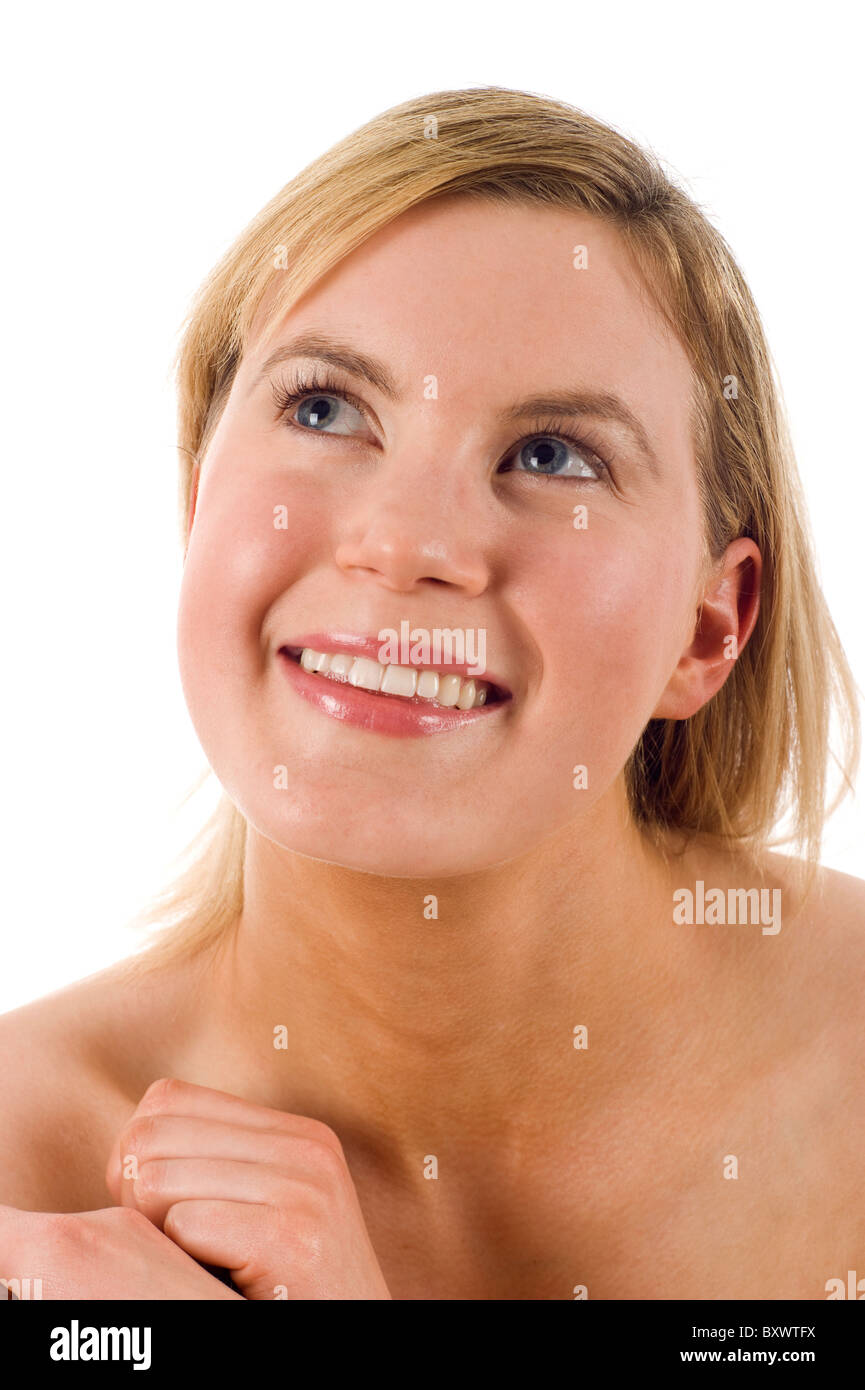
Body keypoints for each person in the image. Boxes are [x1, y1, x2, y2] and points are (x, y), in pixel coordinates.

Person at [1, 85, 863, 1302]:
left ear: (708, 626)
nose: (405, 543)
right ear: (199, 501)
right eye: (325, 407)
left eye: (553, 453)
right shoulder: (30, 1197)